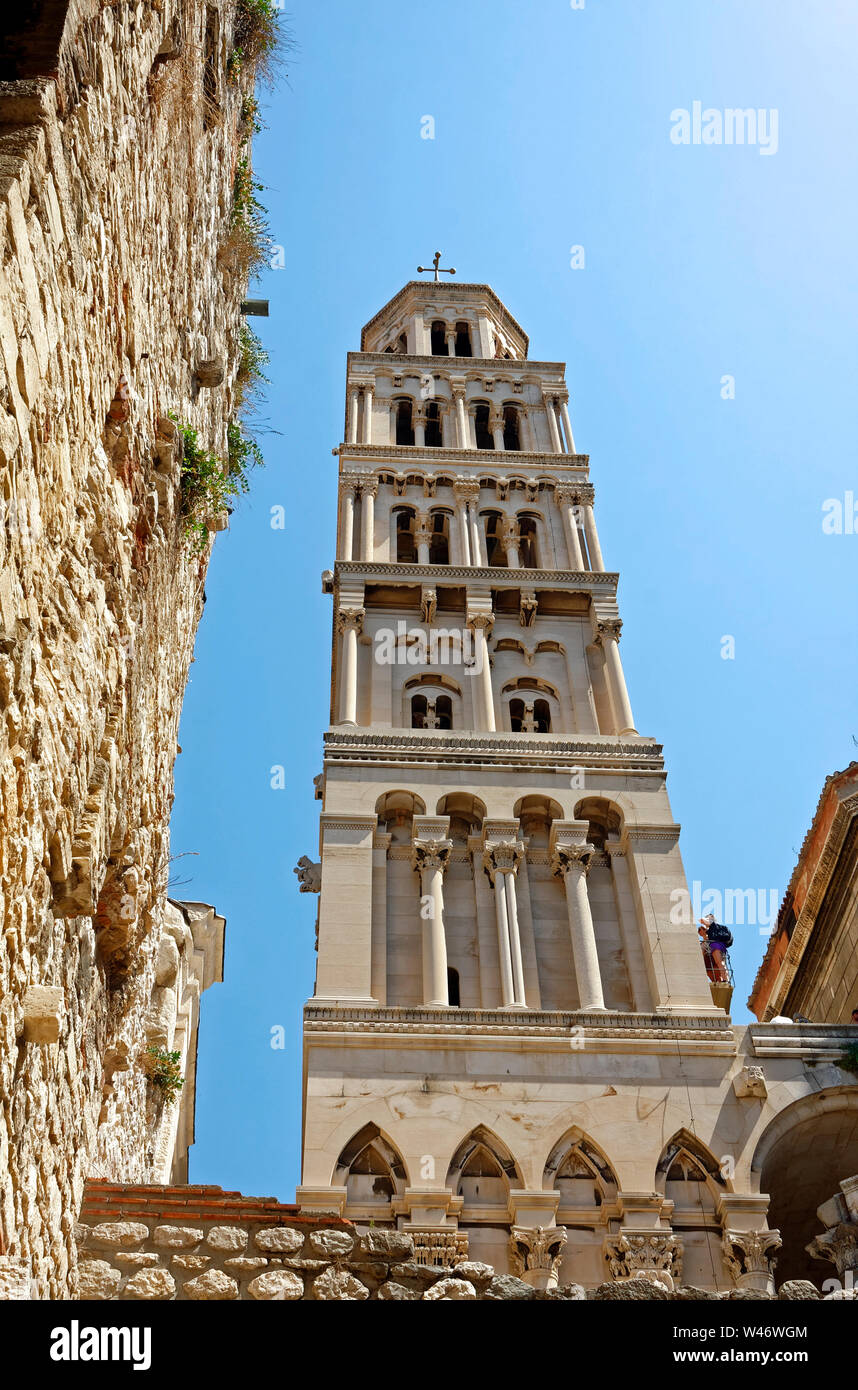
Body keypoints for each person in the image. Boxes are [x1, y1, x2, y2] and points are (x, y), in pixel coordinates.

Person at [698, 914, 731, 983]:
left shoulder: (715, 928)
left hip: (716, 946)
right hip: (709, 959)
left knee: (720, 963)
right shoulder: (706, 939)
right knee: (718, 965)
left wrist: (704, 922)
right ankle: (723, 980)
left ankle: (725, 980)